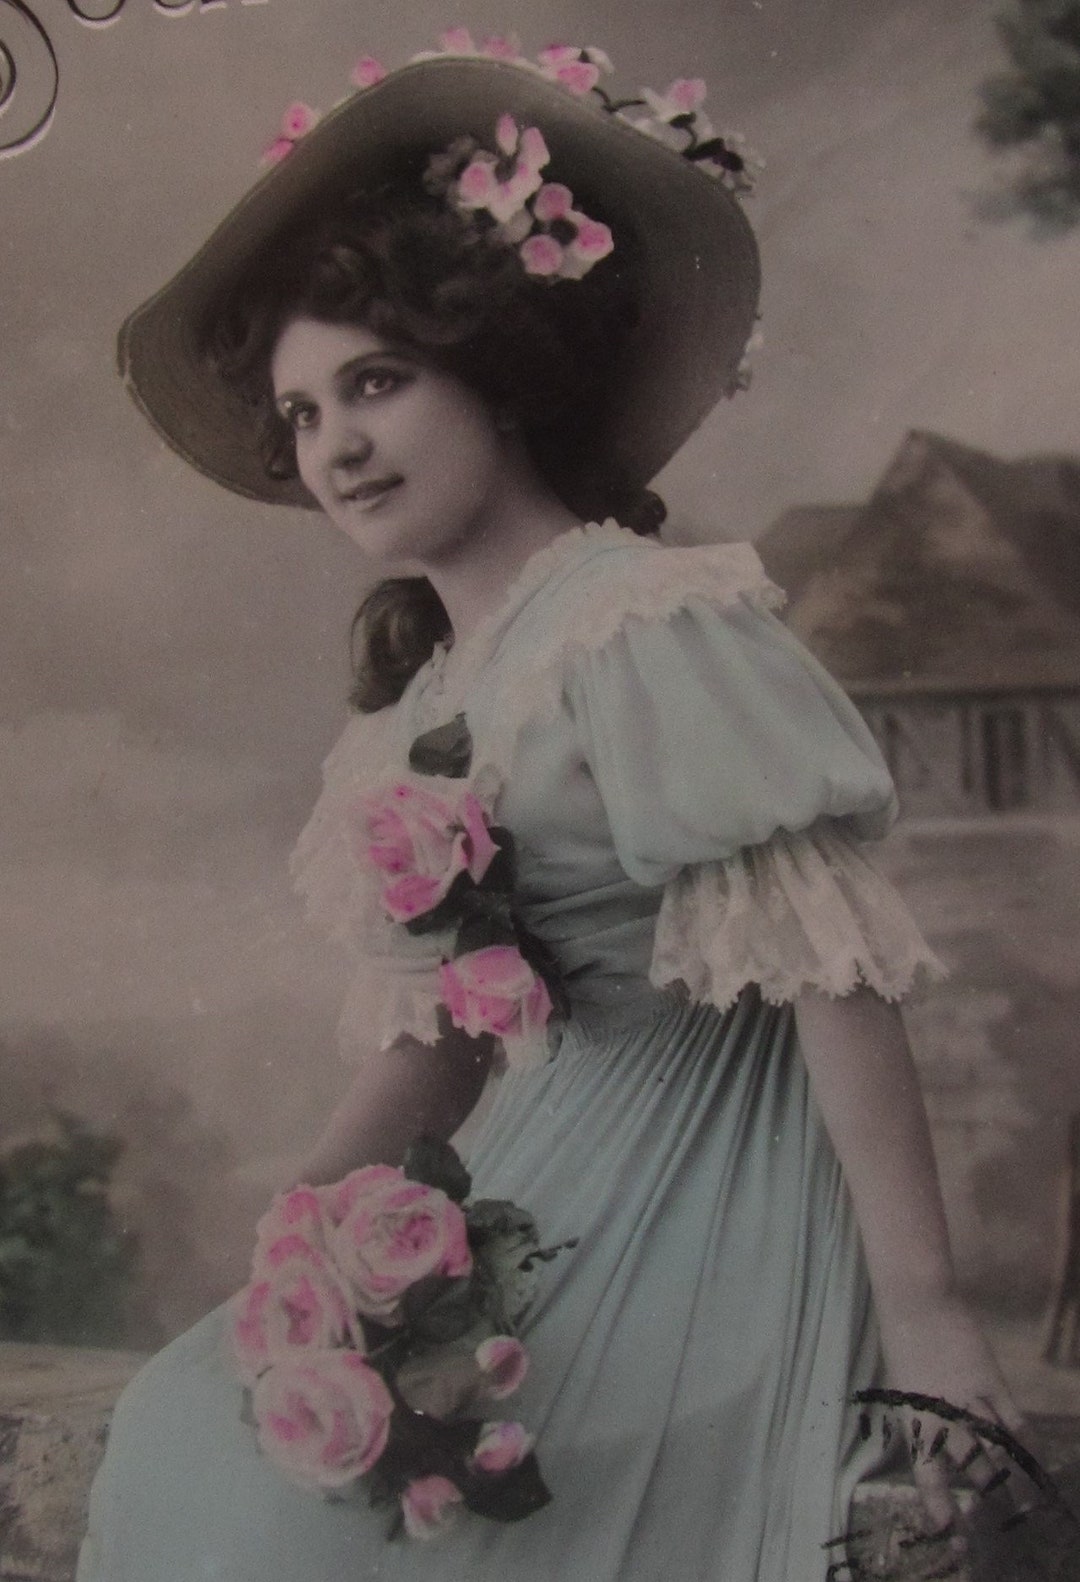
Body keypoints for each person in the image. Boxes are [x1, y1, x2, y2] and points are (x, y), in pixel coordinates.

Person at [78, 38, 1024, 1582]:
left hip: (719, 1210)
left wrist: (924, 1315)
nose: (340, 446)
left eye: (376, 381)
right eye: (307, 412)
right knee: (191, 1423)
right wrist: (299, 1227)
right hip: (544, 1192)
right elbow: (441, 1045)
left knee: (335, 1527)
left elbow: (835, 980)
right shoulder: (420, 704)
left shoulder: (643, 623)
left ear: (495, 372)